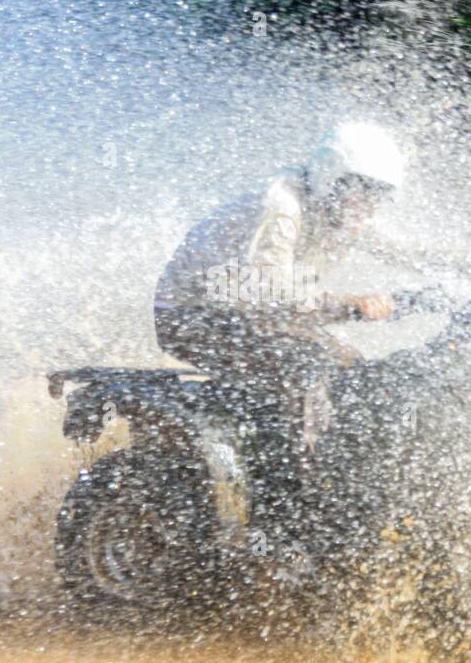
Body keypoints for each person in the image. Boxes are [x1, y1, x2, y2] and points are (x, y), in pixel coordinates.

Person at [153, 121, 407, 450]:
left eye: (378, 195)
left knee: (355, 371)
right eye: (363, 190)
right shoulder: (282, 203)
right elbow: (269, 291)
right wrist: (350, 304)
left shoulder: (344, 213)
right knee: (307, 367)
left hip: (251, 317)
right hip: (189, 314)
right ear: (330, 177)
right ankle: (304, 485)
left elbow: (410, 251)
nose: (369, 204)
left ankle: (292, 447)